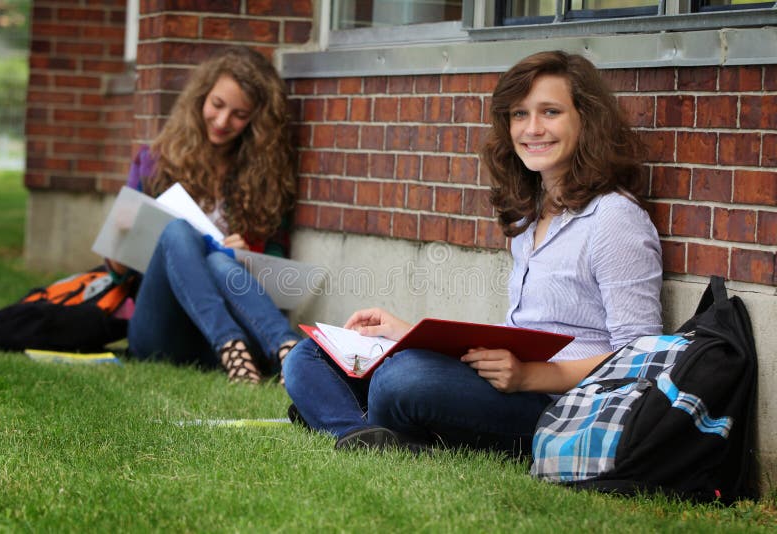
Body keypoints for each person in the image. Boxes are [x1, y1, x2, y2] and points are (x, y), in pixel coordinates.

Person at [283, 50, 663, 453]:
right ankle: (354, 432)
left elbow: (640, 358)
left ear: (586, 119)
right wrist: (409, 335)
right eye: (519, 114)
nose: (532, 128)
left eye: (550, 112)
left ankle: (337, 415)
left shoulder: (614, 218)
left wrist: (531, 376)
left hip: (560, 406)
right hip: (508, 381)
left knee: (400, 377)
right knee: (314, 353)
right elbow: (518, 339)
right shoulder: (531, 217)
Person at [108, 47, 301, 384]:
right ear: (201, 98)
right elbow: (116, 273)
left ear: (257, 120)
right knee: (177, 232)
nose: (223, 121)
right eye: (217, 105)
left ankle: (284, 352)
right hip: (160, 331)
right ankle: (277, 350)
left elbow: (278, 267)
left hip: (222, 337)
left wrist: (248, 256)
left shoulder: (266, 179)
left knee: (218, 261)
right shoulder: (154, 162)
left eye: (240, 114)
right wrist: (122, 233)